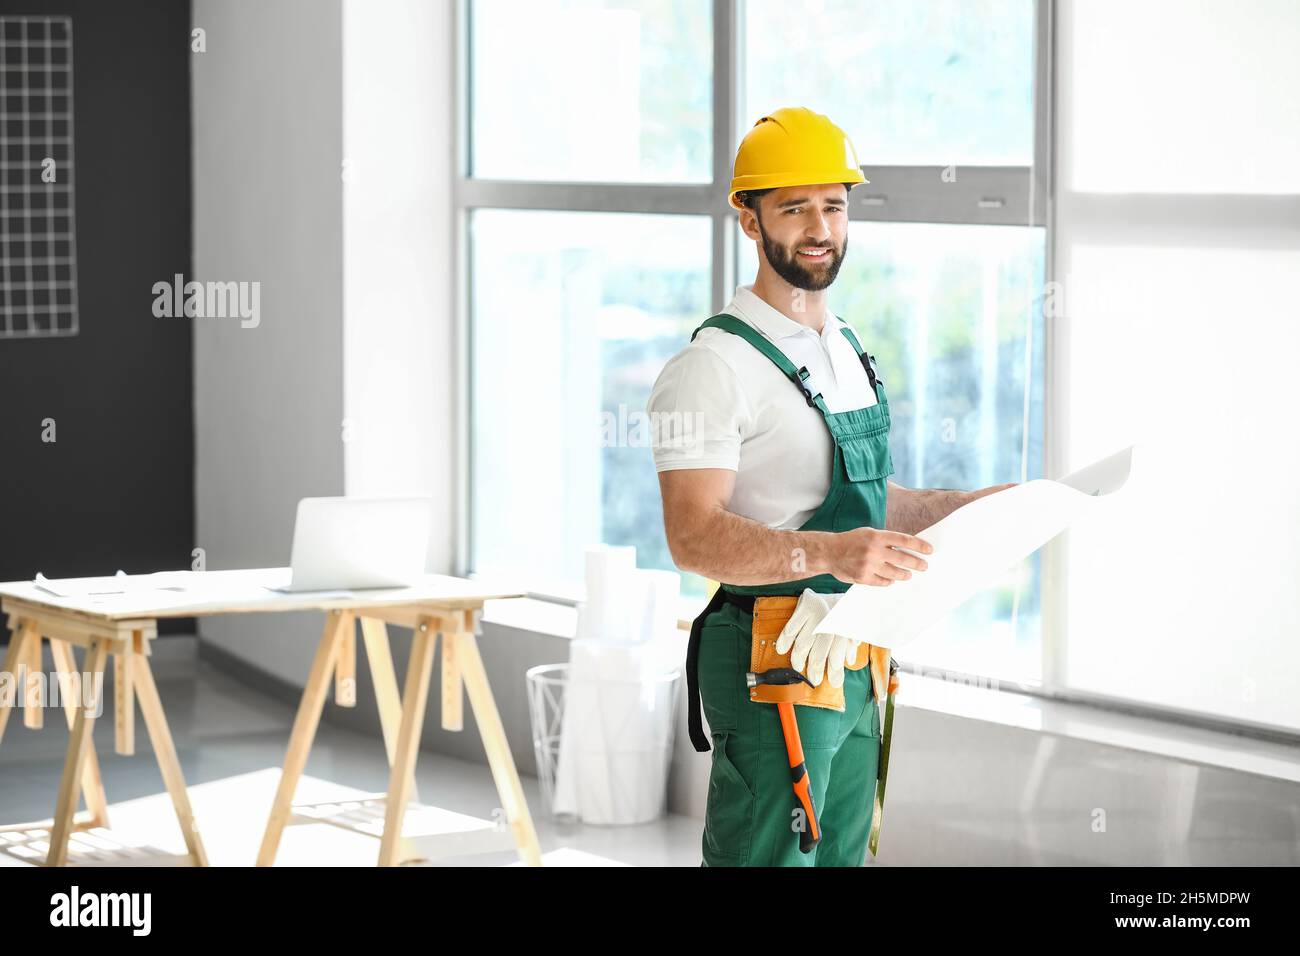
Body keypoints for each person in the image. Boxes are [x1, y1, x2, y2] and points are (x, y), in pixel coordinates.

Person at [647, 107, 1015, 866]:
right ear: (749, 220)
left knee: (844, 856)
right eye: (794, 207)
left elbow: (870, 501)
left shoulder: (843, 345)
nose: (820, 227)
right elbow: (691, 535)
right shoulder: (711, 368)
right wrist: (834, 555)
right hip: (769, 652)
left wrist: (977, 509)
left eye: (834, 205)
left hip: (853, 650)